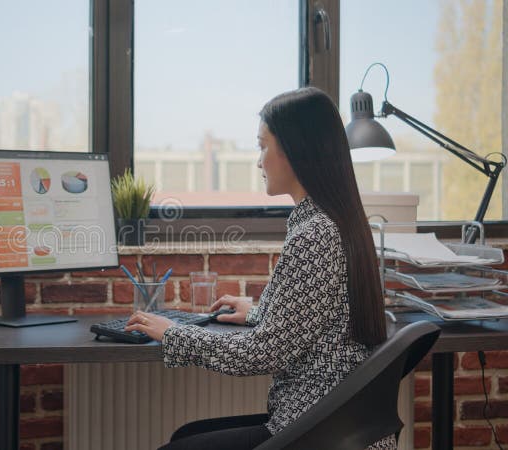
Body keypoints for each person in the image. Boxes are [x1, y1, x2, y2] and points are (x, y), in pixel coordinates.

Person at [125, 87, 395, 450]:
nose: (258, 161)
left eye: (262, 145)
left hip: (316, 429)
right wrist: (258, 311)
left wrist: (173, 333)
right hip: (335, 420)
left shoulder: (315, 235)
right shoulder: (336, 221)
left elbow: (261, 353)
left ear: (293, 151)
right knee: (184, 438)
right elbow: (317, 318)